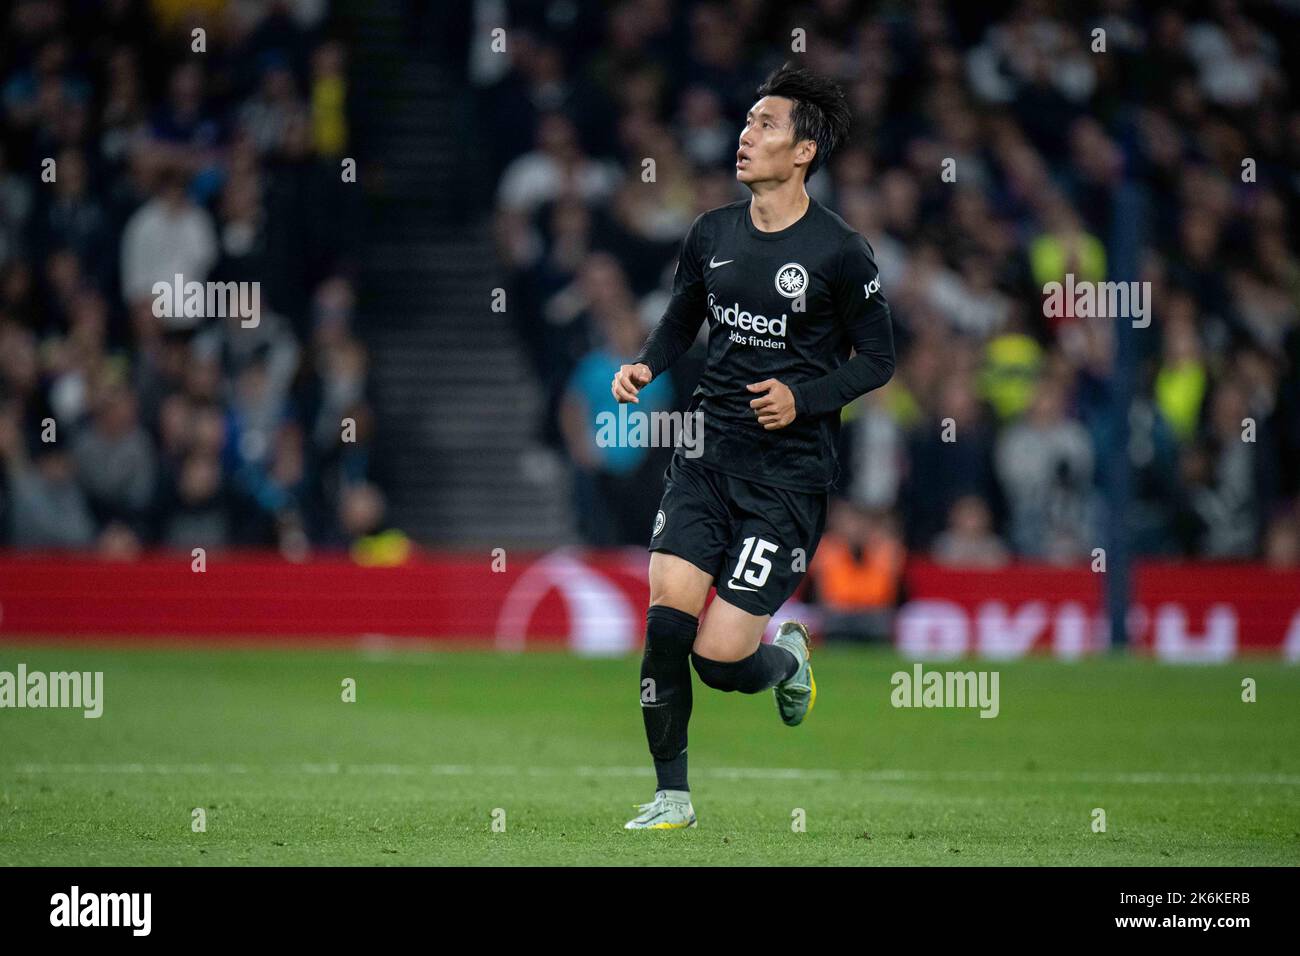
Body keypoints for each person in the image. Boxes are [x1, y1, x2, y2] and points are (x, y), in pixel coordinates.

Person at [611, 65, 895, 829]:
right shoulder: (711, 234)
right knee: (668, 616)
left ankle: (788, 661)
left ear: (803, 152)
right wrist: (646, 362)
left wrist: (803, 398)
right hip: (705, 456)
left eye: (765, 125)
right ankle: (672, 797)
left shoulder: (841, 251)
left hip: (787, 481)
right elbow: (682, 319)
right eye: (745, 122)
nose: (746, 135)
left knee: (720, 659)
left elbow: (878, 359)